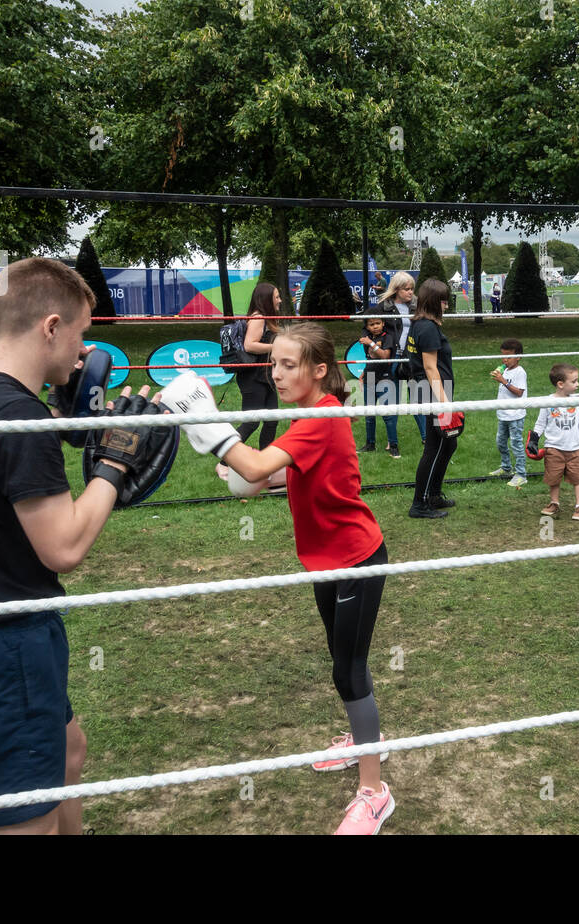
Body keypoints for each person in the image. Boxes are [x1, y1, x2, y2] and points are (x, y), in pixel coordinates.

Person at [0, 257, 172, 833]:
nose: (85, 354)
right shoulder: (19, 421)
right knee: (27, 816)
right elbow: (64, 547)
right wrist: (114, 462)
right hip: (1, 647)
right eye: (81, 335)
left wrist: (67, 419)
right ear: (51, 327)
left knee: (69, 751)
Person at [163, 323, 395, 835]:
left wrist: (210, 425)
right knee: (341, 663)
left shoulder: (322, 415)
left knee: (349, 670)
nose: (277, 373)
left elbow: (255, 459)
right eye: (274, 364)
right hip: (325, 560)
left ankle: (375, 792)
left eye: (289, 365)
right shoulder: (309, 416)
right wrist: (246, 475)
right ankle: (360, 740)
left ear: (318, 370)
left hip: (356, 558)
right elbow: (268, 475)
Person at [406, 279, 460, 518]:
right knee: (434, 447)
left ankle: (434, 495)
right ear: (433, 301)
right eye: (443, 300)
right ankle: (420, 504)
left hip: (431, 391)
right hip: (433, 393)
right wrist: (444, 402)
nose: (447, 304)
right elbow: (429, 367)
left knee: (449, 443)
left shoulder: (420, 325)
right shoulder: (426, 328)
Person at [527, 363, 579, 521]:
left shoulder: (577, 401)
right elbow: (540, 423)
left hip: (575, 449)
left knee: (578, 479)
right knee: (554, 478)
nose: (578, 384)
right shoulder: (548, 402)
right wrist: (534, 439)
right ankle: (554, 503)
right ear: (560, 384)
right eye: (574, 381)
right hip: (554, 448)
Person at [228, 282, 281, 466]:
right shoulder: (259, 317)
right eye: (276, 297)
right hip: (253, 377)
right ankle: (224, 462)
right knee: (251, 422)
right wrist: (279, 347)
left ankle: (266, 462)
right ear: (266, 299)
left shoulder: (268, 318)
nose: (279, 300)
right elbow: (250, 345)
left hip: (266, 376)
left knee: (272, 420)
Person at [375, 272, 425, 445]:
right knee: (391, 400)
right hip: (392, 356)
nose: (410, 292)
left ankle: (426, 438)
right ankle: (392, 441)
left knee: (417, 399)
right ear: (396, 290)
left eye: (412, 289)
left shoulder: (418, 305)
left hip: (412, 356)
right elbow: (371, 329)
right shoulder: (383, 306)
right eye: (406, 289)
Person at [357, 310, 400, 458]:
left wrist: (371, 344)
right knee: (369, 414)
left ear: (383, 323)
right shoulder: (366, 337)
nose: (375, 326)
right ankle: (370, 444)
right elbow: (370, 358)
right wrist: (363, 372)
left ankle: (394, 446)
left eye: (377, 323)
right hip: (369, 377)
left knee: (387, 414)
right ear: (367, 326)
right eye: (371, 324)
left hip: (385, 378)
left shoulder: (388, 337)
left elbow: (384, 357)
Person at [488, 338, 528, 488]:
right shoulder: (505, 369)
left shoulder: (520, 372)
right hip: (503, 414)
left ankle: (521, 474)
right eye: (503, 356)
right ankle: (506, 468)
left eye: (508, 356)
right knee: (500, 442)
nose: (505, 359)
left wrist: (503, 381)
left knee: (516, 444)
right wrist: (501, 376)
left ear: (518, 357)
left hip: (515, 415)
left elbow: (519, 392)